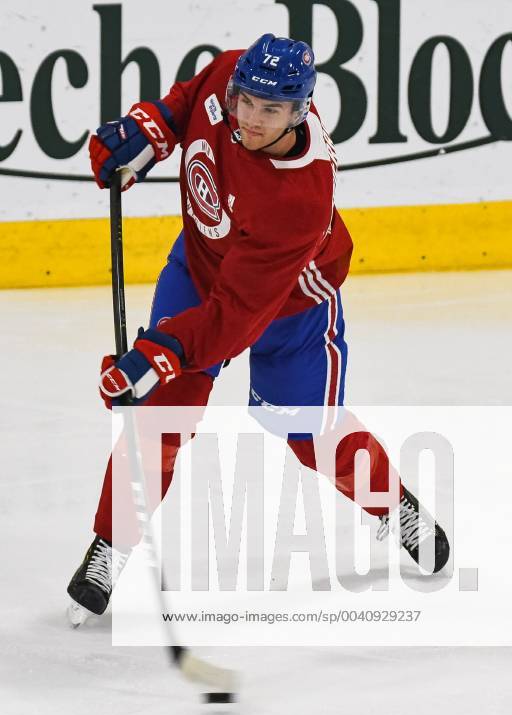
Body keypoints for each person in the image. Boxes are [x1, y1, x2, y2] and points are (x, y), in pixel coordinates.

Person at [67, 34, 449, 623]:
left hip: (289, 299)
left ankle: (393, 503)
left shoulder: (298, 197)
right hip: (201, 266)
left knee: (305, 429)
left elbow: (232, 318)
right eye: (246, 101)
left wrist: (157, 352)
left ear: (301, 111)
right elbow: (185, 103)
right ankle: (109, 545)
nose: (250, 117)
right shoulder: (230, 76)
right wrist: (147, 135)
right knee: (159, 417)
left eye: (271, 111)